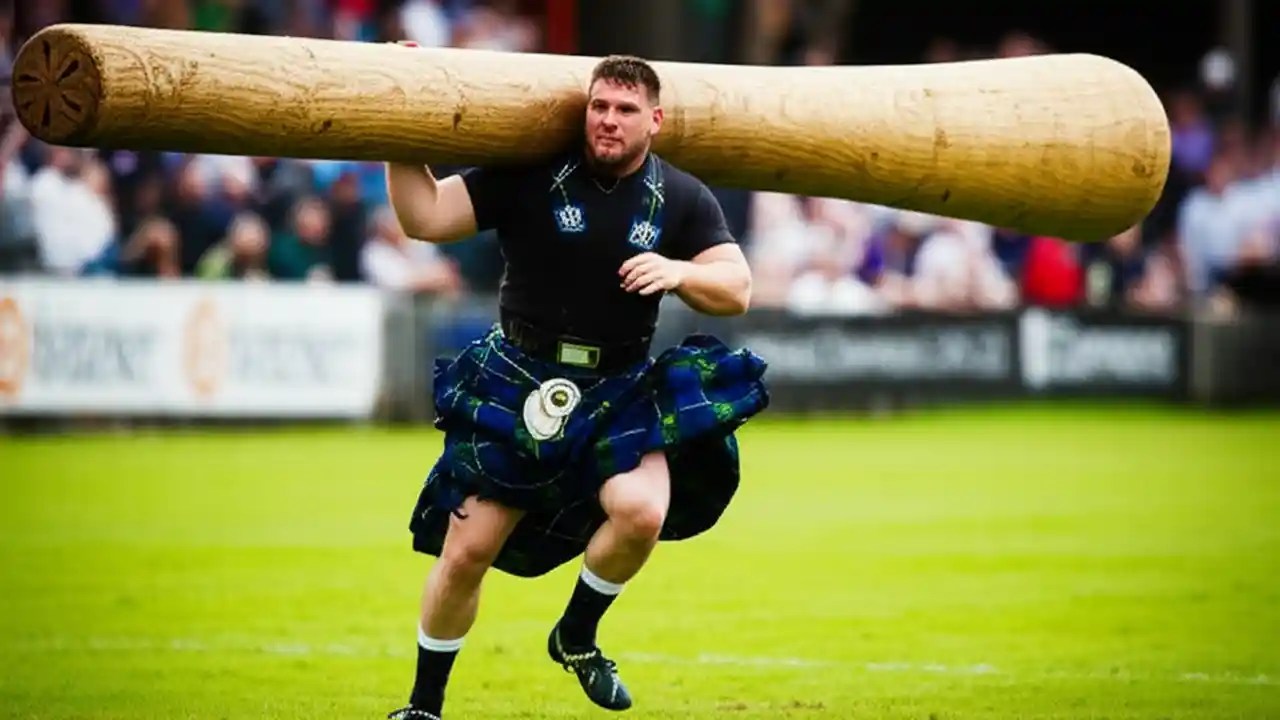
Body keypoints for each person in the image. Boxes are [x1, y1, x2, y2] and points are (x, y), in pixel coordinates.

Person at [383, 54, 770, 719]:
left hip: (617, 383)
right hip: (521, 374)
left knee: (642, 511)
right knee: (468, 549)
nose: (608, 121)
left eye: (624, 110)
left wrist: (678, 271)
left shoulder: (679, 196)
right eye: (599, 106)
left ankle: (577, 634)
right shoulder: (530, 174)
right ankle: (424, 707)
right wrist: (394, 129)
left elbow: (736, 287)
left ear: (655, 119)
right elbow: (425, 217)